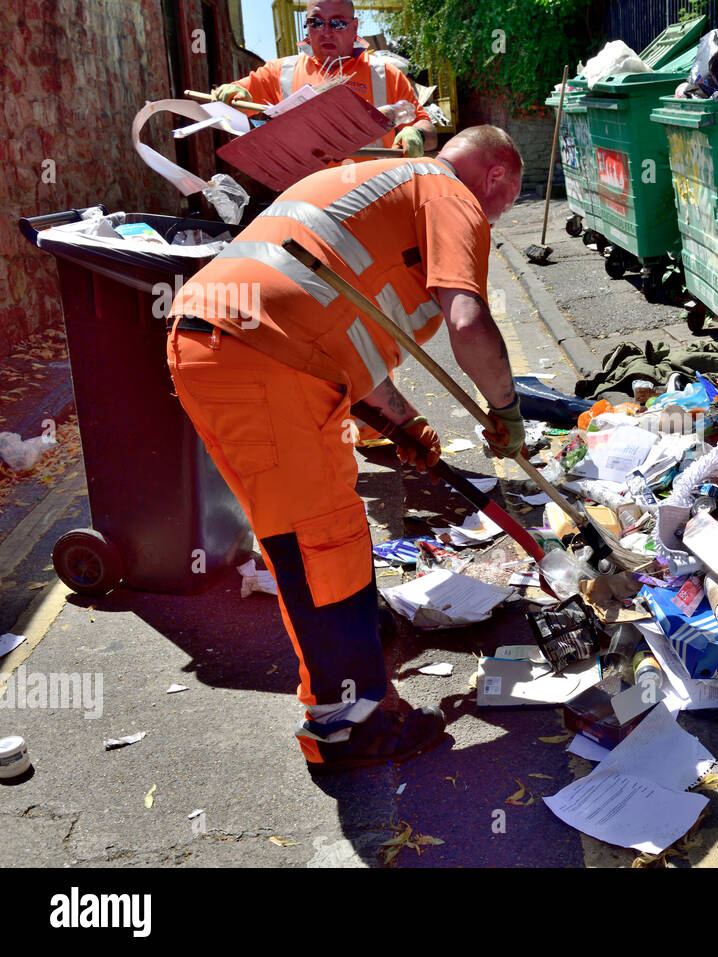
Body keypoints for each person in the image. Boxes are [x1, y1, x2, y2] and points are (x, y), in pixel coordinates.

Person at [166, 126, 526, 773]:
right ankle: (346, 722)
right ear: (496, 175)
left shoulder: (374, 182)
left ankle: (356, 640)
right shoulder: (450, 193)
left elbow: (339, 322)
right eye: (508, 199)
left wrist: (403, 421)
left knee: (309, 527)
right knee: (318, 538)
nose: (498, 216)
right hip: (265, 356)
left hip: (220, 342)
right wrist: (506, 411)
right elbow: (468, 322)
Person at [211, 0, 438, 158]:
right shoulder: (280, 71)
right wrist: (232, 95)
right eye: (316, 23)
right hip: (306, 197)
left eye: (337, 23)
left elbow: (428, 132)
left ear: (354, 27)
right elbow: (231, 107)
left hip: (372, 193)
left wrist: (416, 134)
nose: (326, 32)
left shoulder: (385, 75)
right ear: (307, 25)